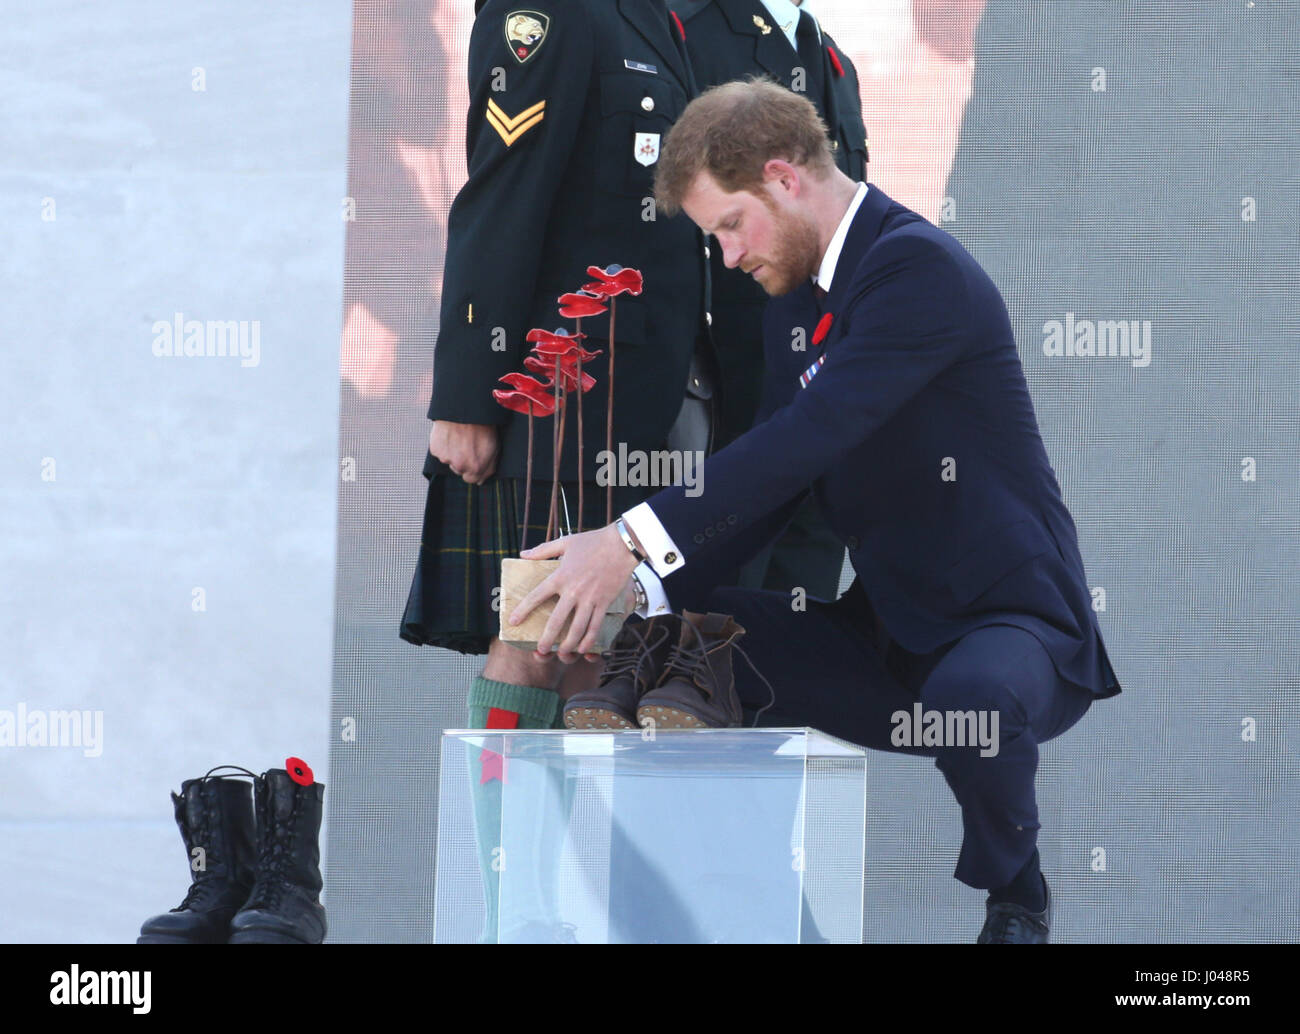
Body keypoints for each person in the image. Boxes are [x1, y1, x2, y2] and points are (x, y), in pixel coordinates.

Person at [508, 78, 1122, 943]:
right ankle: (755, 909)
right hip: (885, 636)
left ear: (783, 178)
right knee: (669, 647)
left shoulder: (918, 270)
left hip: (1012, 629)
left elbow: (809, 434)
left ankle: (1016, 895)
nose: (725, 256)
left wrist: (629, 535)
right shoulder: (795, 297)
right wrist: (640, 589)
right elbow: (770, 488)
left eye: (728, 226)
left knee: (971, 697)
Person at [677, 0, 869, 601]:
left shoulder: (831, 56)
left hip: (830, 380)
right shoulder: (684, 30)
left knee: (804, 618)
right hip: (734, 388)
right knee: (717, 617)